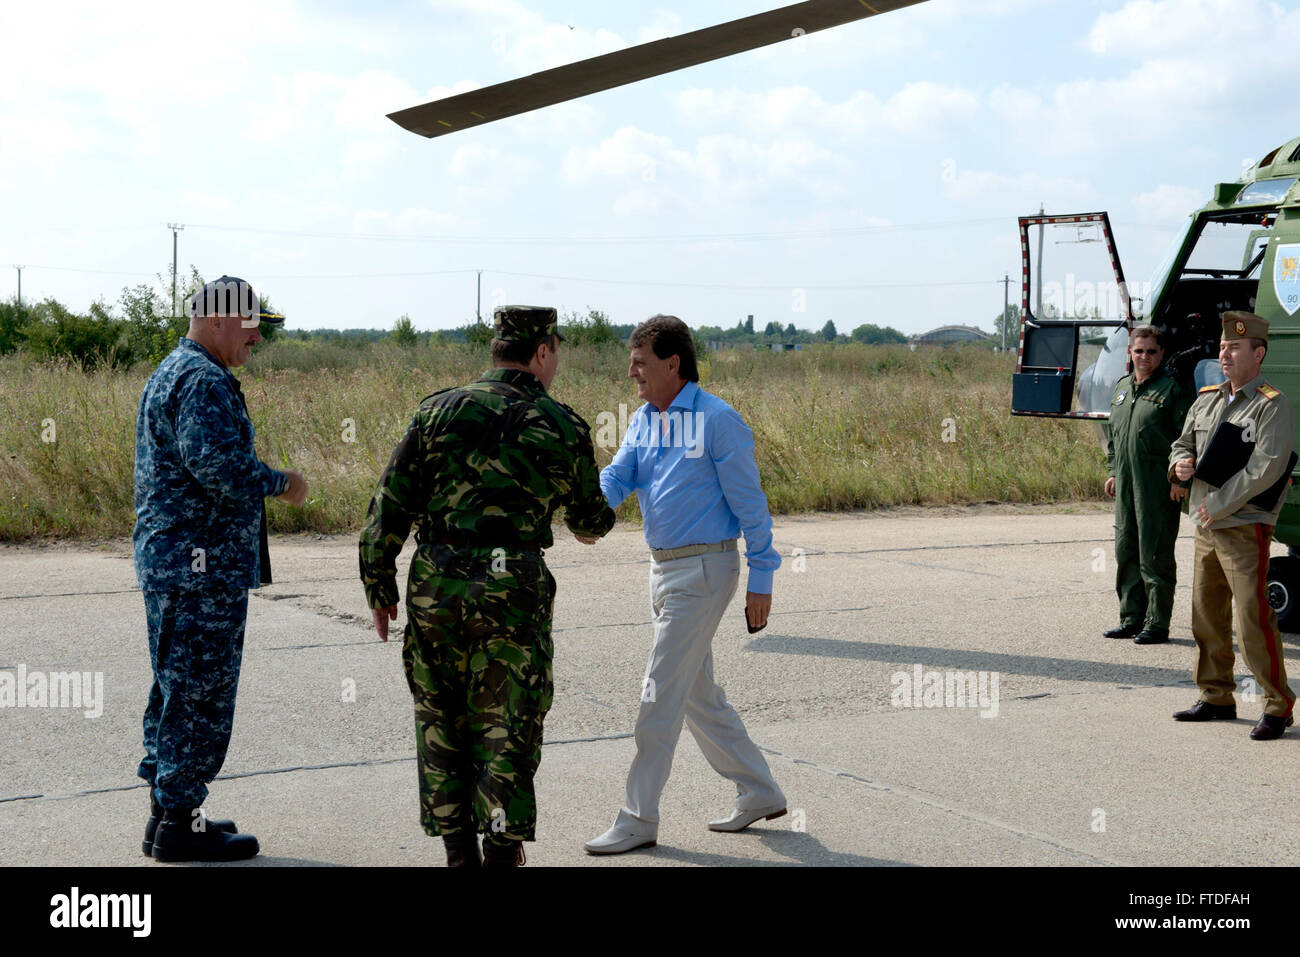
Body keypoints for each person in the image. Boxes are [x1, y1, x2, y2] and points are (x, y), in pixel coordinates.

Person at [359, 305, 615, 868]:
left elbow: (387, 508)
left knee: (440, 718)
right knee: (509, 722)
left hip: (437, 585)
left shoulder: (436, 412)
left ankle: (458, 856)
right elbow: (590, 523)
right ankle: (502, 853)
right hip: (513, 589)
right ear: (542, 351)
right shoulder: (564, 425)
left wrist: (379, 586)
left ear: (498, 349)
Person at [585, 314, 786, 856]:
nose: (632, 374)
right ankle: (761, 790)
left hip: (704, 572)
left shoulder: (719, 420)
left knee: (658, 693)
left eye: (641, 363)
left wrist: (762, 576)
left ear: (673, 364)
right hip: (663, 569)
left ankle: (638, 816)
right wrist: (587, 508)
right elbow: (618, 477)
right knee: (696, 694)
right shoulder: (646, 419)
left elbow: (751, 505)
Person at [134, 275, 308, 862]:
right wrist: (282, 484)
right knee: (199, 693)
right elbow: (218, 468)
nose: (258, 338)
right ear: (218, 320)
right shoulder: (202, 378)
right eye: (252, 325)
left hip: (181, 564)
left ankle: (169, 813)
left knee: (176, 688)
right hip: (197, 570)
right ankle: (180, 823)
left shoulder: (176, 369)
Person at [1168, 311, 1296, 740]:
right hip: (1206, 524)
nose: (1224, 353)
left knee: (1252, 619)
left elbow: (1266, 468)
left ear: (1257, 353)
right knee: (1206, 616)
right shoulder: (1206, 398)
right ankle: (1216, 695)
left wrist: (1217, 505)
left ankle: (1278, 705)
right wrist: (1179, 465)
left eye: (1234, 347)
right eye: (1222, 347)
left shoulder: (1272, 405)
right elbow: (1182, 442)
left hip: (1242, 525)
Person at [1102, 324, 1192, 644]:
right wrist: (1113, 470)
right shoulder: (1122, 387)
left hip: (1157, 485)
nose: (1144, 357)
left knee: (1154, 555)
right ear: (1130, 351)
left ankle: (1156, 624)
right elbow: (1114, 436)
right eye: (1138, 350)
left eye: (1151, 351)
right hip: (1126, 482)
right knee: (1125, 550)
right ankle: (1131, 618)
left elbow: (1187, 438)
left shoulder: (1173, 389)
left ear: (1161, 353)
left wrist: (1180, 481)